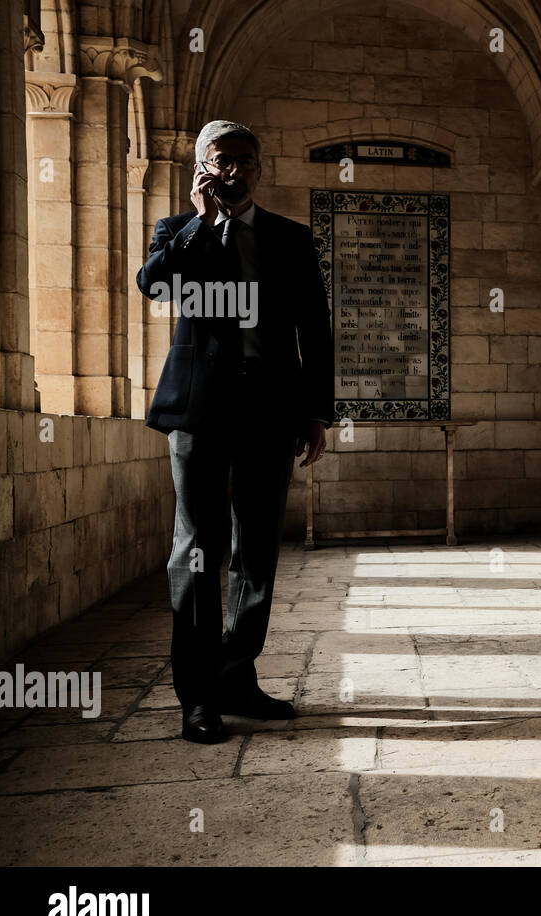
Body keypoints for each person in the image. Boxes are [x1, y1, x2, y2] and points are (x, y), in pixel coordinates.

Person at [137, 120, 333, 744]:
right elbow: (156, 286)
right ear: (203, 167)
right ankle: (198, 698)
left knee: (258, 550)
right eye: (223, 160)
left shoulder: (291, 240)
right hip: (199, 412)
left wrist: (316, 412)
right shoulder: (179, 232)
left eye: (247, 160)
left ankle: (236, 673)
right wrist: (200, 222)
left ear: (259, 168)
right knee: (196, 550)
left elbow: (316, 331)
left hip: (270, 410)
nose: (236, 171)